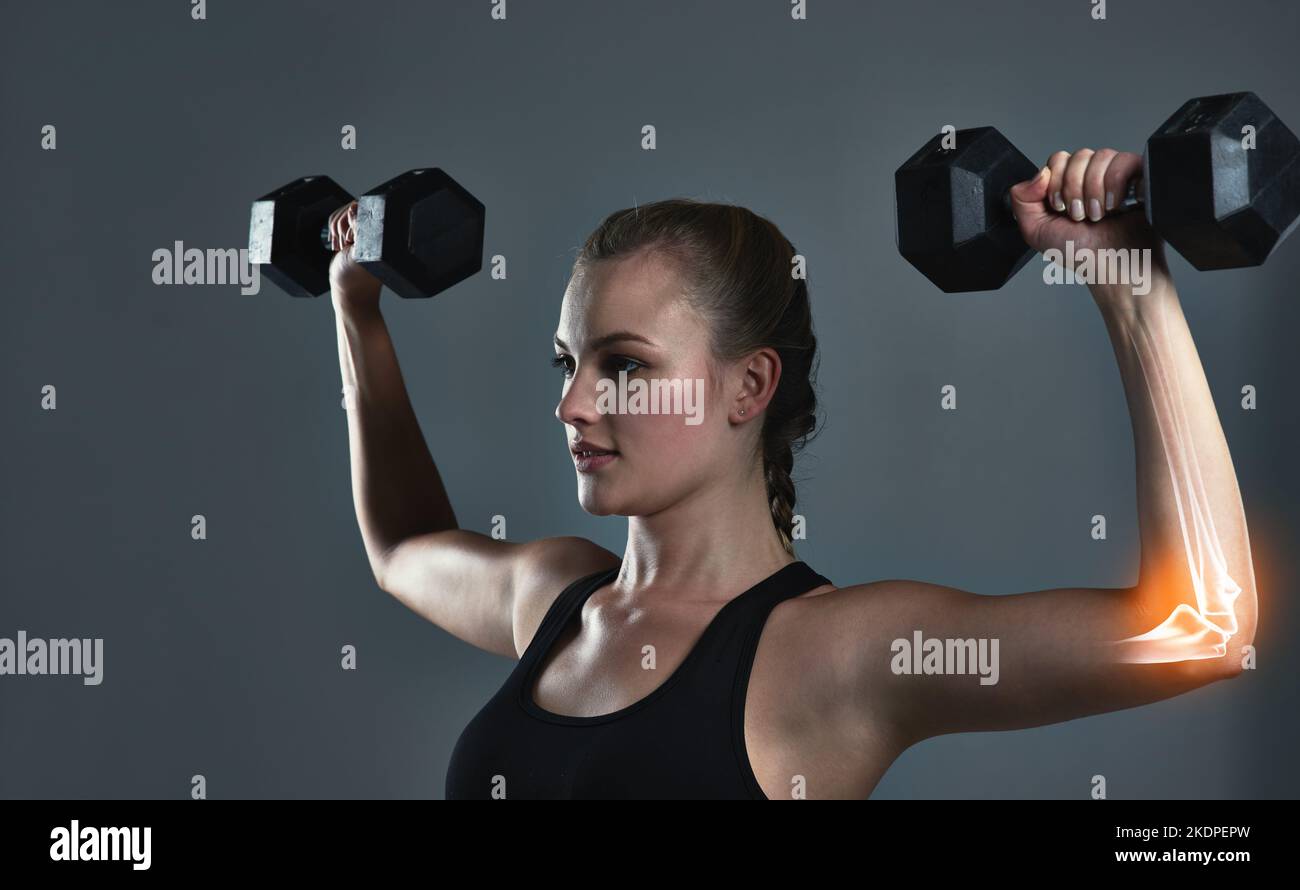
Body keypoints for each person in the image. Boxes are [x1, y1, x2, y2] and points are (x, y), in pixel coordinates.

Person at [325, 147, 1258, 799]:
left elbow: (1201, 630)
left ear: (750, 385)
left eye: (626, 366)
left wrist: (1132, 287)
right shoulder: (552, 601)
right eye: (566, 364)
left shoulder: (835, 658)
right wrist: (357, 308)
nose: (573, 405)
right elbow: (402, 546)